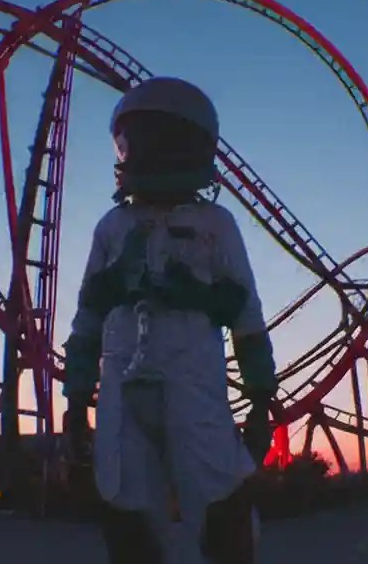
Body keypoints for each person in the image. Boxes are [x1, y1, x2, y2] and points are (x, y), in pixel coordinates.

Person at [62, 76, 278, 563]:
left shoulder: (214, 225)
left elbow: (245, 312)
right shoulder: (112, 227)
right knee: (124, 494)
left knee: (218, 486)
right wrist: (77, 401)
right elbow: (86, 319)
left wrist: (262, 397)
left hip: (193, 379)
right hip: (120, 378)